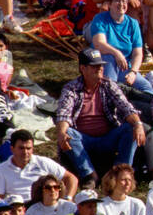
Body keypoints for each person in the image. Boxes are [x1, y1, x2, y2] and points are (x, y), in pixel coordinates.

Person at [54, 48, 146, 190]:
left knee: (131, 128)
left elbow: (126, 108)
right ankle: (90, 175)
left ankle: (120, 172)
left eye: (101, 66)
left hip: (108, 137)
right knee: (70, 134)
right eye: (94, 66)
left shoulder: (108, 85)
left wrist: (138, 124)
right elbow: (63, 114)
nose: (100, 69)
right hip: (84, 139)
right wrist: (62, 132)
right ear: (82, 68)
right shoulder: (71, 88)